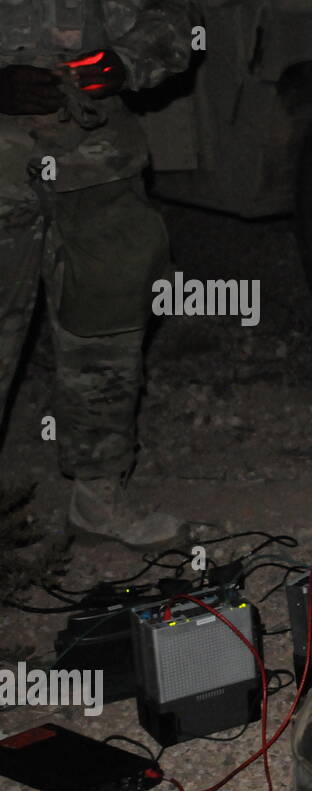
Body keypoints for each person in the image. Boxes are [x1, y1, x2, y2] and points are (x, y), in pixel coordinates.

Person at [0, 0, 194, 549]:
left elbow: (175, 22)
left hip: (97, 163)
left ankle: (99, 502)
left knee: (105, 341)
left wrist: (124, 62)